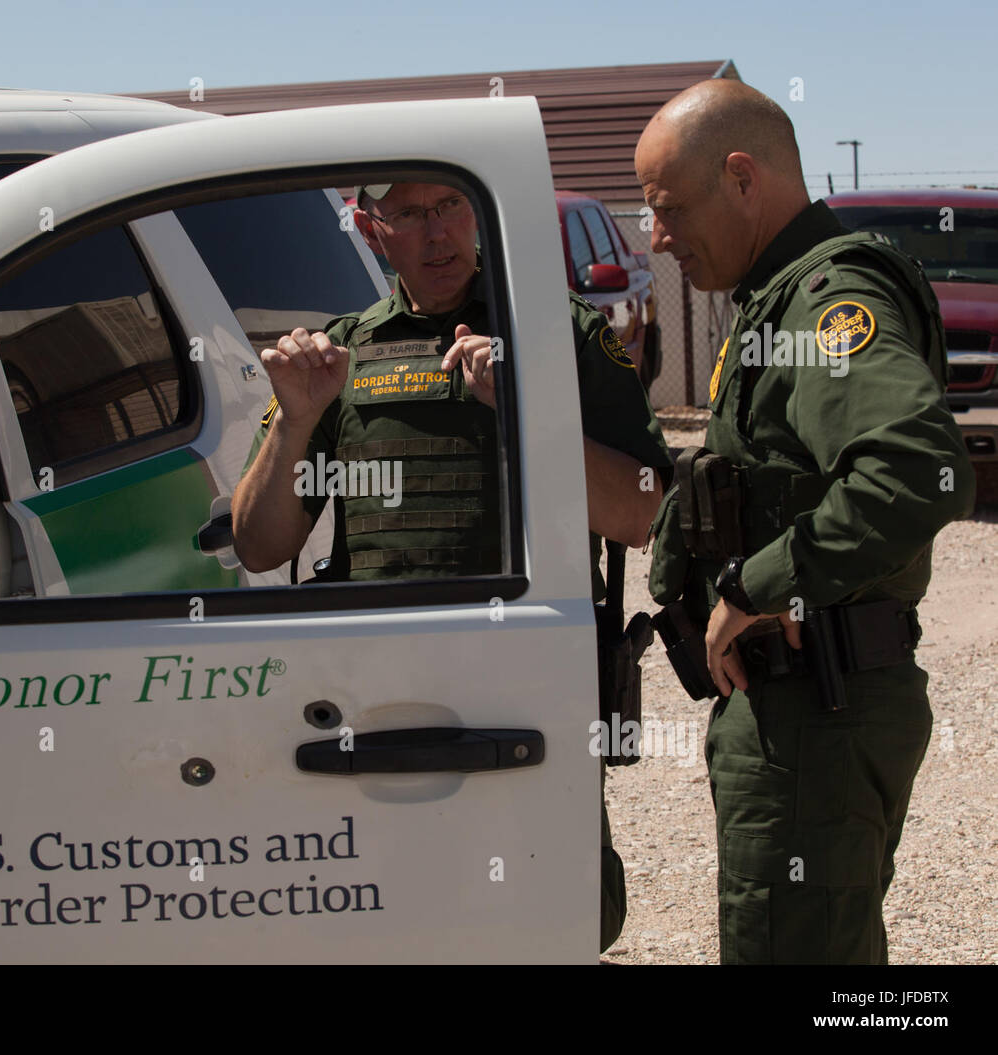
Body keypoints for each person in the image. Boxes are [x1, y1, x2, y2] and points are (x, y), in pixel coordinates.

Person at [231, 180, 670, 952]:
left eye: (449, 207)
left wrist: (526, 411)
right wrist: (295, 421)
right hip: (378, 695)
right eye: (408, 214)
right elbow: (260, 545)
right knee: (391, 912)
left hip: (527, 687)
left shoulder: (559, 334)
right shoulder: (341, 350)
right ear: (373, 230)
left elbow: (643, 514)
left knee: (549, 913)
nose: (436, 233)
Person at [636, 79, 976, 964]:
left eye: (670, 208)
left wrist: (759, 585)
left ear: (742, 178)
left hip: (814, 712)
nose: (657, 236)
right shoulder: (775, 299)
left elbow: (915, 469)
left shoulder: (828, 299)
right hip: (799, 710)